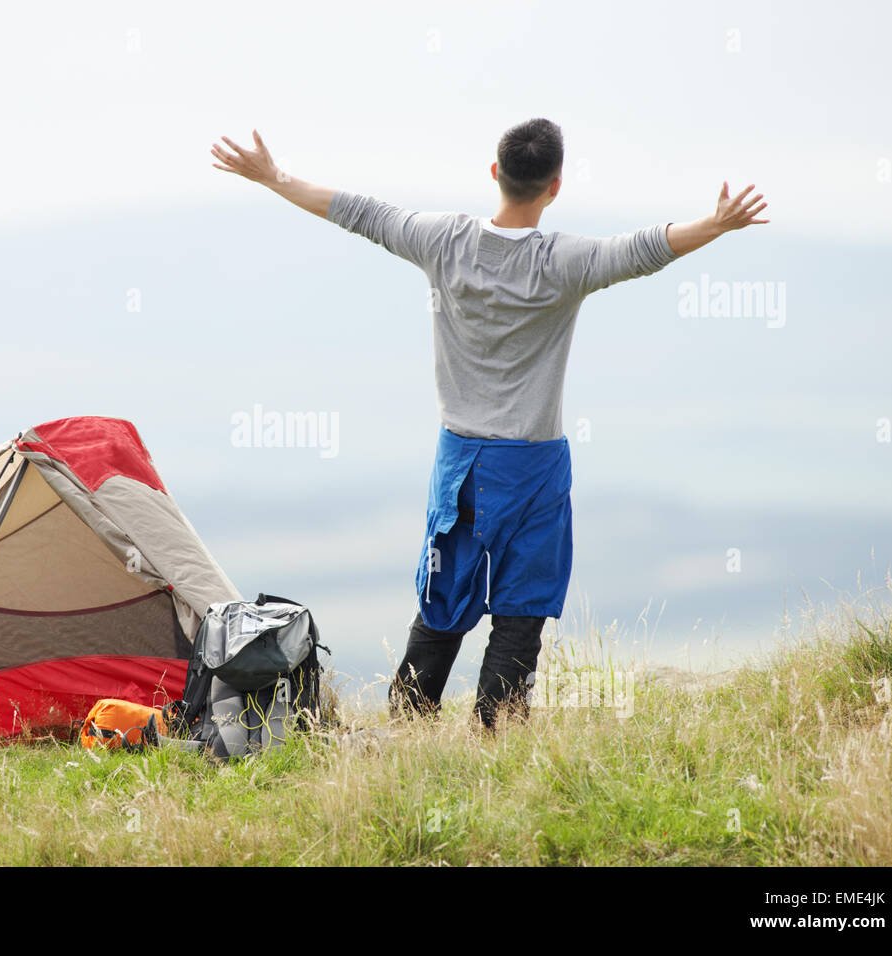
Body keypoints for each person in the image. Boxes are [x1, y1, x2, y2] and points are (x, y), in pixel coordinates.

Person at [210, 119, 768, 728]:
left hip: (460, 467)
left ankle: (406, 732)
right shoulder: (565, 262)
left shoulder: (441, 240)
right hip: (533, 467)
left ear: (495, 172)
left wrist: (272, 176)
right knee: (521, 611)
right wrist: (717, 224)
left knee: (442, 605)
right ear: (555, 186)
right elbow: (643, 251)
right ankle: (496, 737)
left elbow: (359, 212)